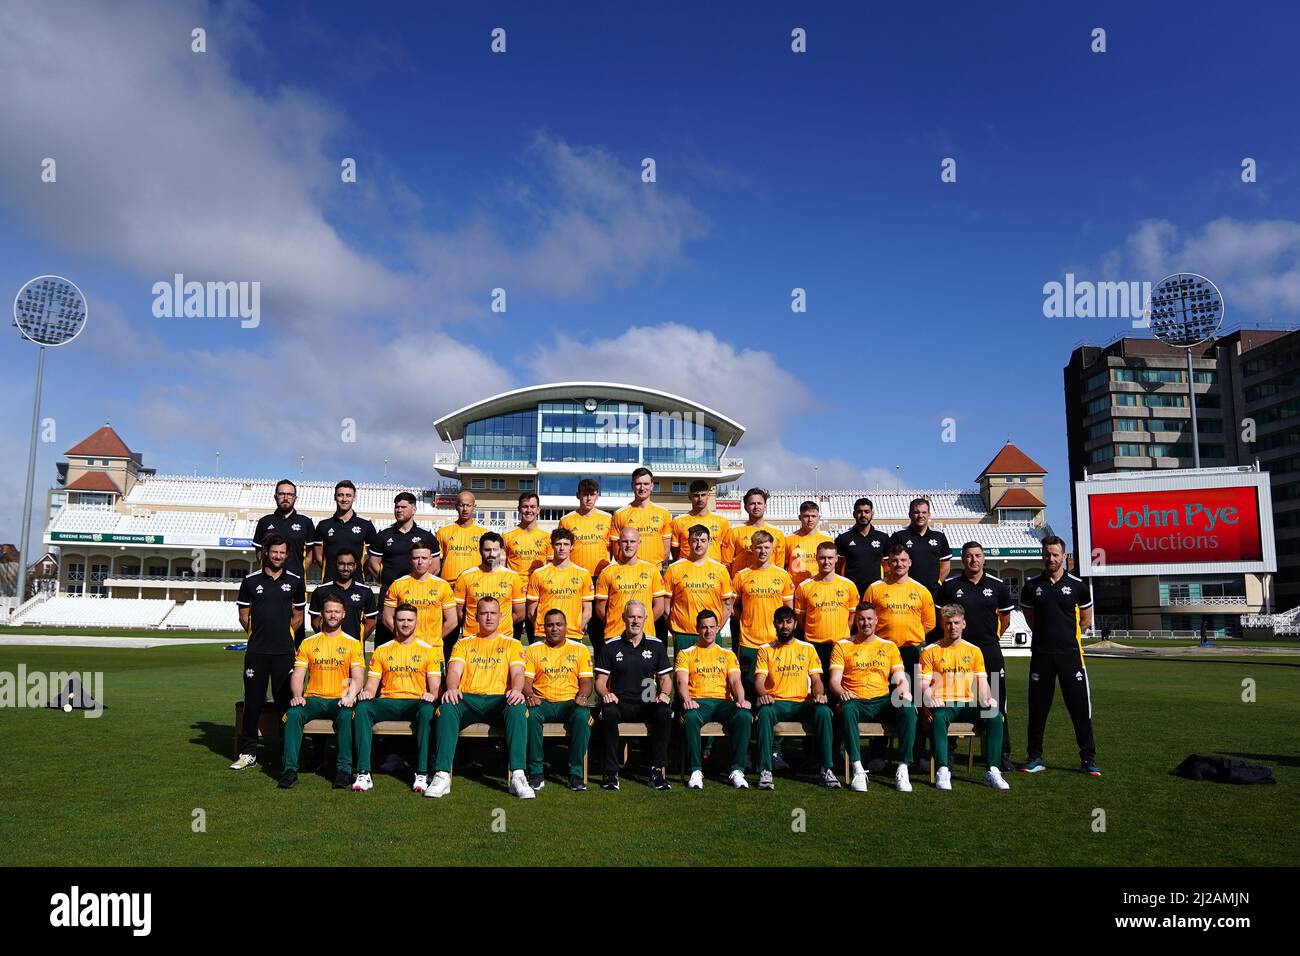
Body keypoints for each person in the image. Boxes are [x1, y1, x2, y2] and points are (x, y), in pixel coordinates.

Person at [425, 597, 535, 800]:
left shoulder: (512, 644)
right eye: (484, 613)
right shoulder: (463, 643)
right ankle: (442, 775)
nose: (489, 617)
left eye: (493, 613)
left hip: (498, 700)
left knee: (517, 707)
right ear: (476, 616)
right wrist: (451, 688)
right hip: (469, 699)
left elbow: (518, 673)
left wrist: (518, 690)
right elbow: (454, 671)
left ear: (501, 617)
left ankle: (518, 775)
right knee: (448, 706)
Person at [1019, 536, 1100, 776]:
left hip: (1071, 656)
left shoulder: (1078, 585)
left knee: (1079, 710)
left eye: (1055, 554)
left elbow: (1085, 620)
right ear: (1042, 556)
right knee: (1037, 709)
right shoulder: (1032, 586)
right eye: (1047, 554)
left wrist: (1067, 639)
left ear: (1063, 556)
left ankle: (1088, 759)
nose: (1051, 558)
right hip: (1042, 656)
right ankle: (1035, 757)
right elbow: (1030, 619)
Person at [937, 542, 1015, 769]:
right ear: (962, 559)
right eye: (969, 556)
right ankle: (949, 753)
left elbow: (1005, 620)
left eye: (978, 556)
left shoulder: (998, 586)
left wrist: (990, 638)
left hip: (989, 652)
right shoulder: (951, 585)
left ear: (984, 559)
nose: (974, 560)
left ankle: (1001, 754)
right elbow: (943, 618)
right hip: (956, 653)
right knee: (952, 698)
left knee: (996, 702)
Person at [231, 534, 306, 770]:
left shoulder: (295, 581)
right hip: (257, 652)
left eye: (282, 552)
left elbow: (298, 617)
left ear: (287, 555)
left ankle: (287, 753)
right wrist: (261, 635)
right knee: (253, 703)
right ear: (265, 552)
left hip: (284, 653)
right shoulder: (250, 580)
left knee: (286, 702)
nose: (278, 556)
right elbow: (244, 616)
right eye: (274, 552)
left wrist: (281, 635)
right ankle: (248, 752)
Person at [918, 604, 1010, 791]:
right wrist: (928, 696)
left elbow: (982, 682)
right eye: (948, 623)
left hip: (967, 703)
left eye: (956, 623)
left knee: (994, 715)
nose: (952, 627)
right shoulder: (930, 651)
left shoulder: (974, 651)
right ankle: (943, 770)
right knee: (939, 717)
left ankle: (993, 770)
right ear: (943, 625)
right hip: (943, 703)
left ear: (964, 624)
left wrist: (987, 698)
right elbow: (922, 684)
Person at [279, 595, 364, 789]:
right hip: (314, 699)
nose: (332, 615)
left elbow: (358, 677)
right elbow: (298, 675)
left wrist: (350, 697)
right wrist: (298, 696)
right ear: (322, 615)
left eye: (336, 611)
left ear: (343, 614)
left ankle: (343, 770)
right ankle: (289, 771)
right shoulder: (309, 643)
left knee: (345, 715)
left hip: (339, 699)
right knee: (293, 714)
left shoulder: (353, 643)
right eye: (328, 611)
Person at [351, 604, 439, 793]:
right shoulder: (382, 650)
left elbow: (435, 688)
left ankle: (422, 773)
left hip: (415, 702)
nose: (405, 624)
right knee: (363, 708)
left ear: (416, 622)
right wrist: (366, 693)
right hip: (388, 701)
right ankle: (364, 772)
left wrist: (431, 694)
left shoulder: (429, 650)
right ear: (394, 622)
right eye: (401, 620)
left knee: (427, 709)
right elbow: (371, 687)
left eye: (409, 620)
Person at [829, 604, 916, 793]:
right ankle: (858, 768)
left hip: (882, 701)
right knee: (848, 708)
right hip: (856, 700)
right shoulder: (842, 645)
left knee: (908, 708)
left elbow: (901, 678)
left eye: (869, 619)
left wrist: (903, 690)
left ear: (876, 620)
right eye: (861, 619)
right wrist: (841, 692)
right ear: (855, 621)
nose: (865, 623)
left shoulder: (889, 646)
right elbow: (834, 680)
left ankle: (903, 768)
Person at [752, 605, 839, 790]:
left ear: (795, 624)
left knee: (824, 711)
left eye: (788, 622)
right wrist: (764, 695)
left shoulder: (807, 648)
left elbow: (817, 679)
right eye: (781, 622)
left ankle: (826, 768)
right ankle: (765, 770)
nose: (785, 626)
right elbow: (759, 681)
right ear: (774, 624)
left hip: (802, 702)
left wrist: (820, 695)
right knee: (765, 713)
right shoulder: (765, 649)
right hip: (777, 702)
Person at [593, 600, 673, 791]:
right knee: (608, 712)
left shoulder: (656, 645)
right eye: (631, 616)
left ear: (646, 619)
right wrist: (606, 694)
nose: (635, 621)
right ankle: (611, 773)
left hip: (647, 701)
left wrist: (663, 694)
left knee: (664, 712)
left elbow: (665, 679)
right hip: (620, 702)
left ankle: (656, 771)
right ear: (623, 618)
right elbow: (600, 682)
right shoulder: (611, 646)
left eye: (639, 617)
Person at [675, 610, 751, 790]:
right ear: (697, 629)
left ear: (717, 628)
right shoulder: (686, 653)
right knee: (691, 717)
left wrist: (741, 700)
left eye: (711, 627)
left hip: (723, 702)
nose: (708, 631)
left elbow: (736, 681)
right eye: (703, 627)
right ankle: (695, 770)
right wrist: (687, 700)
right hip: (699, 701)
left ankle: (737, 770)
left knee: (744, 716)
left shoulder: (728, 654)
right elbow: (681, 681)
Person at [523, 608, 594, 792]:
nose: (554, 629)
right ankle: (536, 772)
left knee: (583, 717)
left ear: (566, 627)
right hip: (542, 701)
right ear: (544, 628)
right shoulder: (533, 649)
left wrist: (583, 696)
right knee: (529, 715)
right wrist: (530, 696)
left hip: (570, 703)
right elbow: (526, 682)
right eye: (550, 625)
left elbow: (586, 681)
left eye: (558, 624)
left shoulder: (579, 649)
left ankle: (576, 774)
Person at [366, 492, 440, 646]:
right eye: (396, 507)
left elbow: (435, 566)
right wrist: (387, 581)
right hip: (389, 596)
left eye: (403, 507)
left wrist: (419, 584)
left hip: (418, 596)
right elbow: (373, 564)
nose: (399, 510)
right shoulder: (383, 536)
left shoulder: (426, 537)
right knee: (385, 643)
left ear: (414, 509)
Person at [730, 530, 795, 704]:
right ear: (752, 549)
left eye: (766, 547)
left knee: (774, 687)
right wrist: (744, 616)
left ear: (772, 549)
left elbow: (789, 611)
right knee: (748, 688)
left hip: (775, 642)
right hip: (749, 642)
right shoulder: (741, 576)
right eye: (759, 547)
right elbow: (732, 607)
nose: (763, 551)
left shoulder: (782, 576)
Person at [862, 544, 937, 686]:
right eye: (895, 560)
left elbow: (929, 623)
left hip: (912, 650)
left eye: (903, 560)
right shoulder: (874, 588)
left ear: (910, 563)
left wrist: (910, 634)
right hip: (882, 649)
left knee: (913, 692)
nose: (899, 564)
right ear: (888, 563)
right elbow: (864, 618)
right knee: (882, 690)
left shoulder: (921, 590)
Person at [593, 526, 668, 656]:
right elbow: (600, 608)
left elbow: (659, 607)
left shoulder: (652, 571)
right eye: (624, 541)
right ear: (618, 543)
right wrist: (616, 621)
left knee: (646, 677)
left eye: (632, 541)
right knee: (616, 676)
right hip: (615, 636)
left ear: (639, 543)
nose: (628, 545)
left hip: (645, 636)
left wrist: (641, 623)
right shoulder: (607, 572)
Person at [663, 524, 733, 655]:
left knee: (712, 675)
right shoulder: (674, 569)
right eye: (695, 540)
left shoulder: (720, 570)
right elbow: (666, 606)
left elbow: (727, 607)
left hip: (711, 635)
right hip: (683, 634)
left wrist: (716, 629)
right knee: (682, 675)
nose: (699, 544)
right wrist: (675, 631)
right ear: (688, 542)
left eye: (703, 540)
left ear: (709, 542)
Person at [452, 532, 526, 656]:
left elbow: (520, 614)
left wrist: (499, 623)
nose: (491, 554)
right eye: (487, 550)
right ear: (480, 551)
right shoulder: (466, 576)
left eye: (495, 550)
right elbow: (458, 613)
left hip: (503, 640)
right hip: (472, 640)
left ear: (501, 551)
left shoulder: (513, 577)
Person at [794, 541, 861, 675]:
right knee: (816, 687)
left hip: (841, 644)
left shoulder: (848, 585)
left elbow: (853, 616)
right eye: (822, 558)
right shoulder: (804, 587)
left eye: (830, 558)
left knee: (839, 686)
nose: (826, 562)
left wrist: (842, 634)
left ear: (836, 559)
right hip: (814, 645)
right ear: (816, 559)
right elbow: (800, 618)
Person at [560, 478, 612, 646]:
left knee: (599, 630)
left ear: (598, 496)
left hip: (599, 578)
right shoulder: (567, 520)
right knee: (574, 623)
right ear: (578, 495)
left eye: (592, 494)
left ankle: (602, 669)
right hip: (574, 579)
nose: (588, 498)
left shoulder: (607, 519)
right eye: (585, 495)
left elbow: (614, 549)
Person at [889, 498, 950, 640]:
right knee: (907, 633)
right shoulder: (900, 536)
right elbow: (889, 564)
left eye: (924, 512)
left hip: (932, 594)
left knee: (933, 634)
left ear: (929, 515)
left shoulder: (939, 537)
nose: (920, 515)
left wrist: (937, 583)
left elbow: (945, 566)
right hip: (905, 595)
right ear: (910, 514)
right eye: (916, 512)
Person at [382, 544, 457, 651]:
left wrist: (435, 639)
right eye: (416, 558)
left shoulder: (443, 585)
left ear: (431, 560)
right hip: (406, 648)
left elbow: (452, 621)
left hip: (433, 649)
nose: (420, 562)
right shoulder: (398, 584)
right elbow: (387, 618)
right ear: (410, 559)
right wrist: (404, 637)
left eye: (424, 558)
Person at [526, 528, 593, 643]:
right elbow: (531, 611)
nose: (562, 548)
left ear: (572, 546)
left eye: (566, 544)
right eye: (558, 544)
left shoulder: (583, 574)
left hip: (572, 635)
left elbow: (587, 610)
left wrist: (577, 628)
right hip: (544, 635)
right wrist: (544, 629)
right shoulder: (538, 574)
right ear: (552, 546)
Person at [504, 491, 552, 643]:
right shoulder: (508, 536)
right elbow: (501, 567)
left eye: (532, 507)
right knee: (511, 639)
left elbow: (550, 569)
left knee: (537, 640)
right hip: (514, 594)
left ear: (538, 510)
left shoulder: (547, 537)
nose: (528, 510)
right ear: (519, 509)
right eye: (525, 507)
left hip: (536, 595)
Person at [313, 480, 378, 586]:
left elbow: (373, 558)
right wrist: (332, 570)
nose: (344, 499)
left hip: (356, 583)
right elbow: (318, 555)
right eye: (340, 495)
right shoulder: (323, 525)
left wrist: (359, 571)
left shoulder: (366, 525)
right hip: (330, 583)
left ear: (354, 498)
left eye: (348, 495)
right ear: (335, 497)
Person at [607, 467, 672, 570]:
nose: (642, 488)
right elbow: (617, 552)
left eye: (646, 484)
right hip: (629, 571)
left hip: (655, 571)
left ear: (652, 486)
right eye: (638, 484)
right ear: (632, 485)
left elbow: (666, 550)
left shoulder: (663, 513)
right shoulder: (620, 514)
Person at [308, 550, 377, 647]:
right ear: (335, 565)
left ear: (355, 566)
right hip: (328, 648)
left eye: (349, 564)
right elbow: (315, 622)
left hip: (354, 650)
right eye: (341, 564)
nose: (345, 568)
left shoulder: (365, 591)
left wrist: (356, 642)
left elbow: (370, 624)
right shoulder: (321, 591)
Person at [252, 478, 315, 578]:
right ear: (275, 497)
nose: (286, 498)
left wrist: (298, 571)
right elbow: (259, 552)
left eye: (290, 494)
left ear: (295, 498)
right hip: (268, 580)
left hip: (296, 581)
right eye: (281, 494)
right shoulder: (264, 522)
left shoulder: (306, 522)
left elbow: (310, 555)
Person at [723, 487, 786, 577]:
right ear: (746, 507)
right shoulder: (734, 531)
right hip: (742, 584)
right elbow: (726, 563)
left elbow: (779, 566)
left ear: (765, 507)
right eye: (752, 504)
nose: (756, 507)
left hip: (769, 584)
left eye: (759, 503)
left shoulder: (777, 533)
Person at [835, 497, 891, 597]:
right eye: (859, 511)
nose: (863, 515)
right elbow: (837, 568)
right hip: (850, 590)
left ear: (872, 514)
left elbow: (887, 567)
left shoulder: (883, 537)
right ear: (854, 514)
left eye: (867, 511)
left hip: (875, 590)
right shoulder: (843, 538)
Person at [435, 490, 489, 586]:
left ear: (474, 507)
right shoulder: (443, 532)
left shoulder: (484, 533)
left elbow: (490, 562)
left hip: (475, 584)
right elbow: (436, 563)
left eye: (468, 505)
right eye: (461, 505)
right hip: (448, 585)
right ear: (456, 506)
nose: (465, 509)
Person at [670, 479, 730, 562]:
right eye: (696, 495)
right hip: (687, 570)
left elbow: (725, 551)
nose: (700, 499)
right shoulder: (678, 522)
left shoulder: (721, 522)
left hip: (713, 571)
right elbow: (675, 551)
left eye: (703, 495)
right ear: (690, 496)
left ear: (708, 495)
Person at [785, 500, 834, 587]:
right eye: (806, 516)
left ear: (818, 518)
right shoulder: (788, 539)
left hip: (819, 588)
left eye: (813, 516)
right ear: (800, 517)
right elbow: (783, 566)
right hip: (795, 589)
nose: (810, 519)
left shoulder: (828, 540)